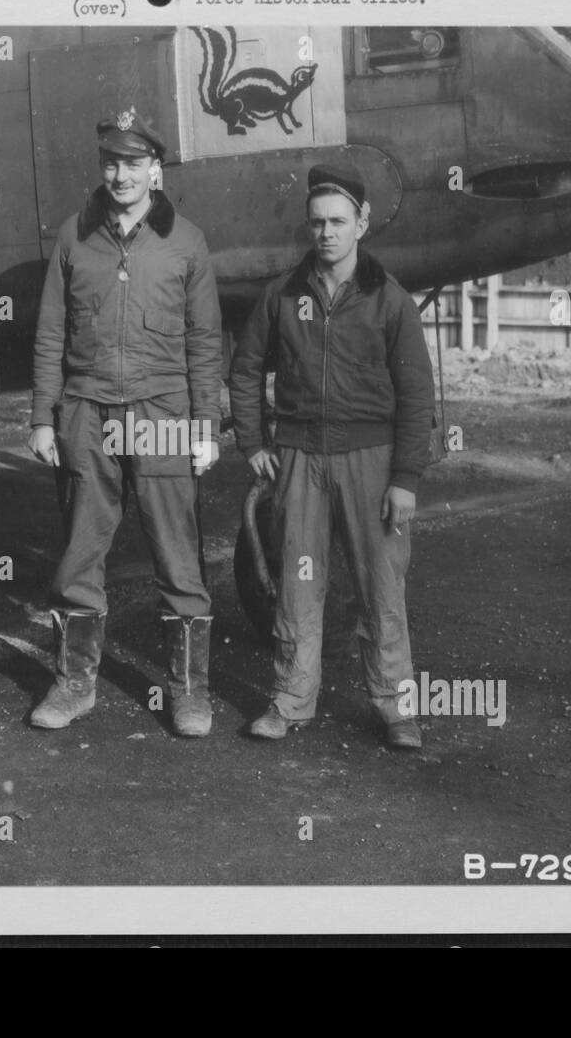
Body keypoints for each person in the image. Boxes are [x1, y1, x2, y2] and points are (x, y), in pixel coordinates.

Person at [28, 107, 222, 736]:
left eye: (133, 164)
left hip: (163, 412)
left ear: (155, 171)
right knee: (81, 553)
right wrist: (40, 417)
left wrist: (205, 428)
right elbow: (50, 332)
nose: (120, 175)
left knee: (177, 553)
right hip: (87, 409)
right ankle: (74, 683)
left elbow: (204, 340)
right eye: (111, 163)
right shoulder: (72, 237)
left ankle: (189, 694)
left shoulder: (186, 241)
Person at [229, 164, 435, 748]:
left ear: (362, 224)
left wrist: (405, 479)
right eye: (317, 222)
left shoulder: (390, 301)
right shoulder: (281, 296)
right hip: (298, 461)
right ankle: (291, 701)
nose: (327, 233)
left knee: (381, 587)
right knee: (299, 585)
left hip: (372, 461)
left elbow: (418, 394)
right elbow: (244, 370)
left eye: (339, 222)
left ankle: (396, 708)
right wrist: (252, 443)